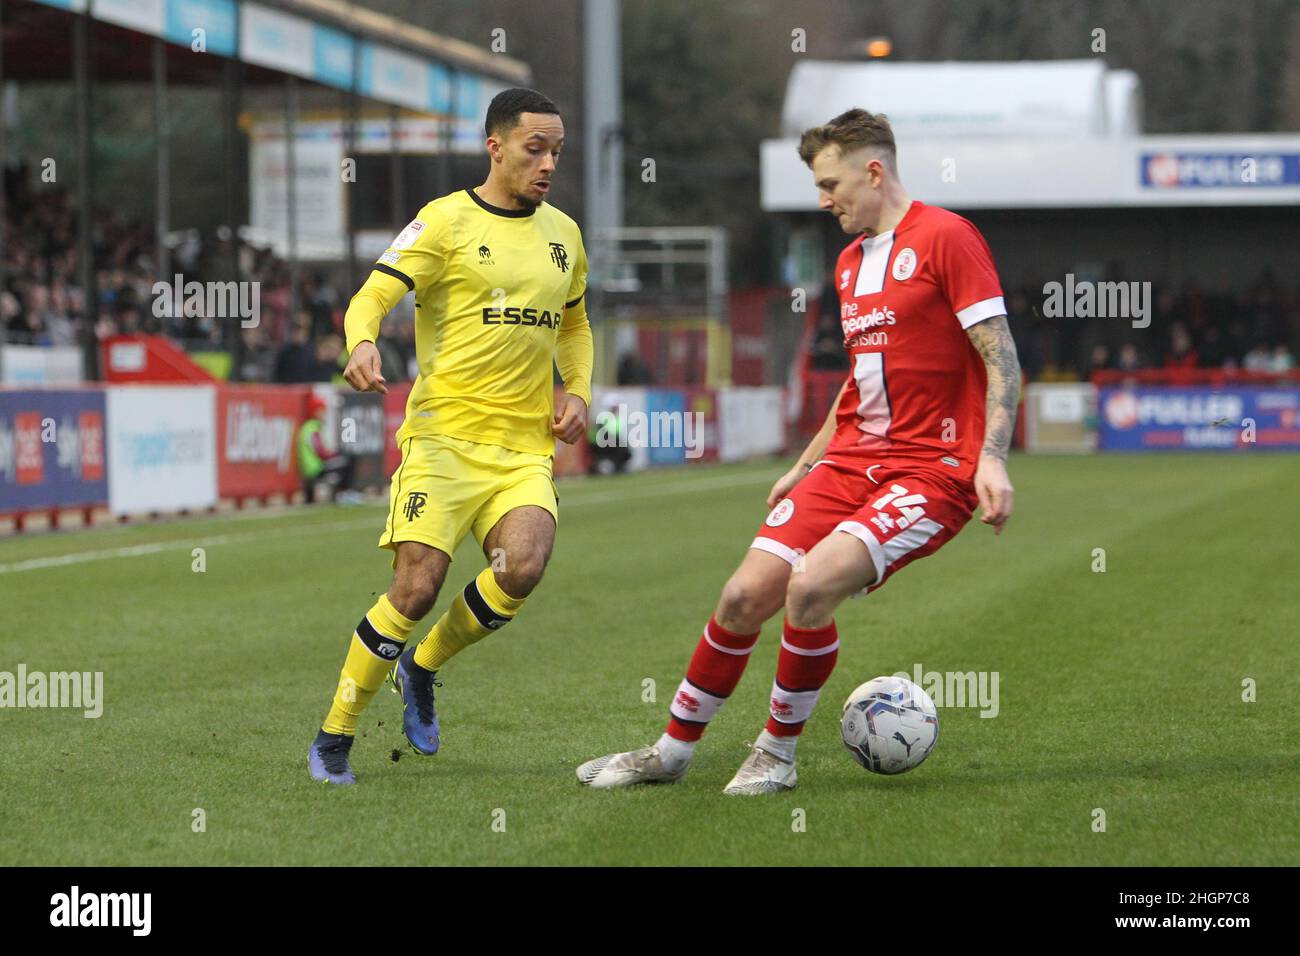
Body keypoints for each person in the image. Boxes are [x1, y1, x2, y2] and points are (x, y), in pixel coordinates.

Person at [577, 108, 1020, 795]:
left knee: (809, 586)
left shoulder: (947, 238)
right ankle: (669, 752)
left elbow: (1002, 357)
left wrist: (991, 456)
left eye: (830, 182)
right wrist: (806, 464)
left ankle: (776, 753)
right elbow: (860, 378)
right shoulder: (847, 266)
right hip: (847, 463)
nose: (823, 199)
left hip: (933, 471)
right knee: (742, 595)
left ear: (874, 171)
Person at [308, 88, 593, 785]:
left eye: (557, 150)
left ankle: (423, 665)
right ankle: (334, 737)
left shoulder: (565, 234)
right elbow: (373, 292)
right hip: (443, 444)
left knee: (522, 566)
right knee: (416, 587)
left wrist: (579, 388)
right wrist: (362, 342)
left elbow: (577, 324)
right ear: (495, 147)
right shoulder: (443, 221)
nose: (548, 162)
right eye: (535, 148)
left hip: (522, 449)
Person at [297, 395, 351, 503]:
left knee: (342, 459)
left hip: (311, 467)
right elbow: (321, 452)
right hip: (315, 468)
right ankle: (343, 494)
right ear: (315, 412)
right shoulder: (312, 429)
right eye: (322, 411)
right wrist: (334, 454)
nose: (324, 414)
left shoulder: (308, 427)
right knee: (347, 460)